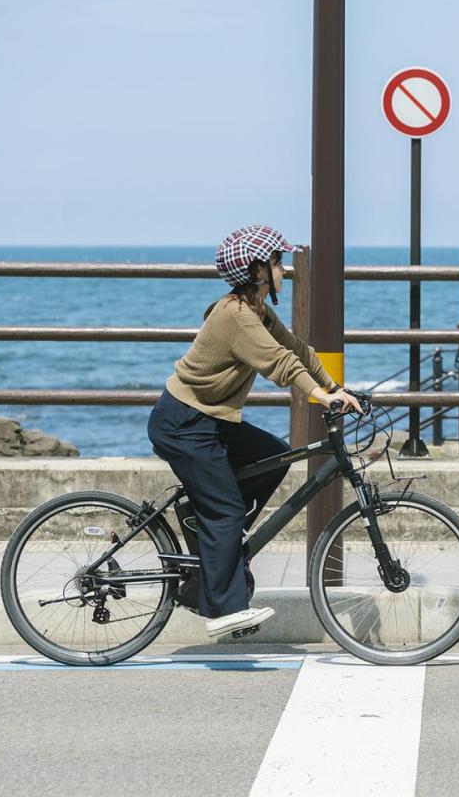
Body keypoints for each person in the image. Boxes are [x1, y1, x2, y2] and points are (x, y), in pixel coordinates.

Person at [147, 225, 362, 638]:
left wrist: (336, 389)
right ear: (256, 270)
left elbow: (297, 350)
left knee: (273, 457)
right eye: (278, 262)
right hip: (184, 423)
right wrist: (320, 396)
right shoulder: (236, 316)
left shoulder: (258, 310)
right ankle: (223, 609)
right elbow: (278, 364)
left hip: (209, 420)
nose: (286, 268)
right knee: (226, 509)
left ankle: (211, 532)